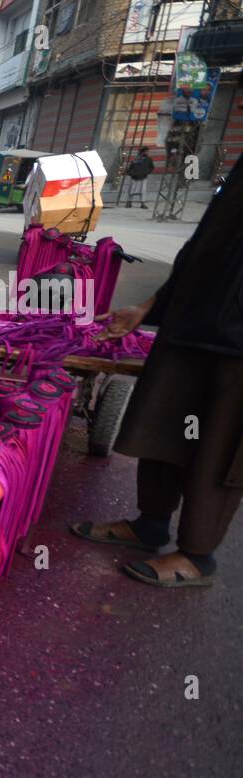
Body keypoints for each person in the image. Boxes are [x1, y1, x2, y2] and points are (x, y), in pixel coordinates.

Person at [70, 154, 243, 587]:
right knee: (171, 429)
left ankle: (197, 555)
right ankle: (150, 524)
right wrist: (147, 308)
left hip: (237, 348)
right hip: (188, 325)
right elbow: (204, 251)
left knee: (217, 448)